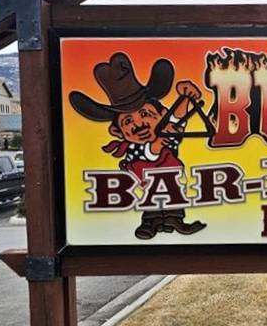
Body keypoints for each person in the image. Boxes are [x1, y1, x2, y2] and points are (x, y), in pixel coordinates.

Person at [69, 51, 206, 240]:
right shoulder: (133, 148)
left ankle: (174, 219)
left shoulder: (167, 134)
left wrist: (185, 98)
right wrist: (156, 145)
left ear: (162, 115)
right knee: (151, 202)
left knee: (173, 197)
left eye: (145, 115)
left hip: (170, 183)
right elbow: (148, 152)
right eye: (127, 122)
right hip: (146, 182)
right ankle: (150, 222)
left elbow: (177, 120)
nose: (139, 124)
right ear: (117, 132)